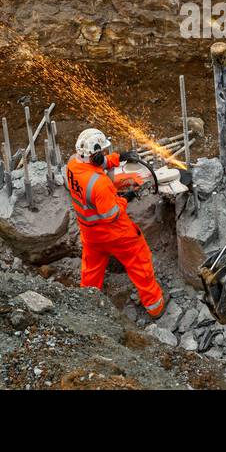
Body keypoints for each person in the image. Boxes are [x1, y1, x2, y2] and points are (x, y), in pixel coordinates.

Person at [64, 128, 165, 318]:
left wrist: (120, 158)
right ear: (94, 155)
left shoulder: (73, 164)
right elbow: (111, 214)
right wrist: (127, 197)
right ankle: (155, 306)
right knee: (139, 260)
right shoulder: (99, 184)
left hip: (90, 234)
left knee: (91, 271)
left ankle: (86, 303)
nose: (104, 156)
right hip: (115, 233)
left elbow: (98, 165)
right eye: (102, 152)